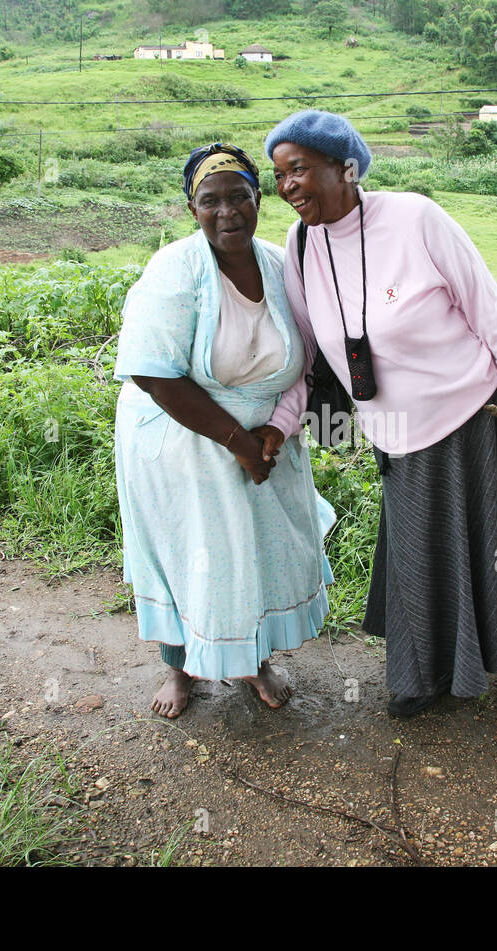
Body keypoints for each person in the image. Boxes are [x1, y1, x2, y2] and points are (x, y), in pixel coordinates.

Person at [254, 110, 497, 718]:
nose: (287, 186)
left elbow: (489, 306)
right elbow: (309, 353)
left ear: (345, 169)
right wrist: (282, 422)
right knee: (419, 547)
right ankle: (424, 671)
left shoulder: (416, 218)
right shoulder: (300, 244)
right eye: (279, 175)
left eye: (299, 170)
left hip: (472, 410)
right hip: (392, 429)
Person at [112, 142, 335, 718]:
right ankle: (180, 669)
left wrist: (277, 433)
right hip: (183, 440)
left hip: (264, 441)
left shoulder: (282, 265)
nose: (227, 212)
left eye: (240, 197)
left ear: (259, 200)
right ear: (192, 209)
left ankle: (252, 662)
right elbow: (152, 374)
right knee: (191, 553)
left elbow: (308, 360)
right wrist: (238, 443)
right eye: (211, 201)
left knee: (251, 555)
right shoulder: (174, 269)